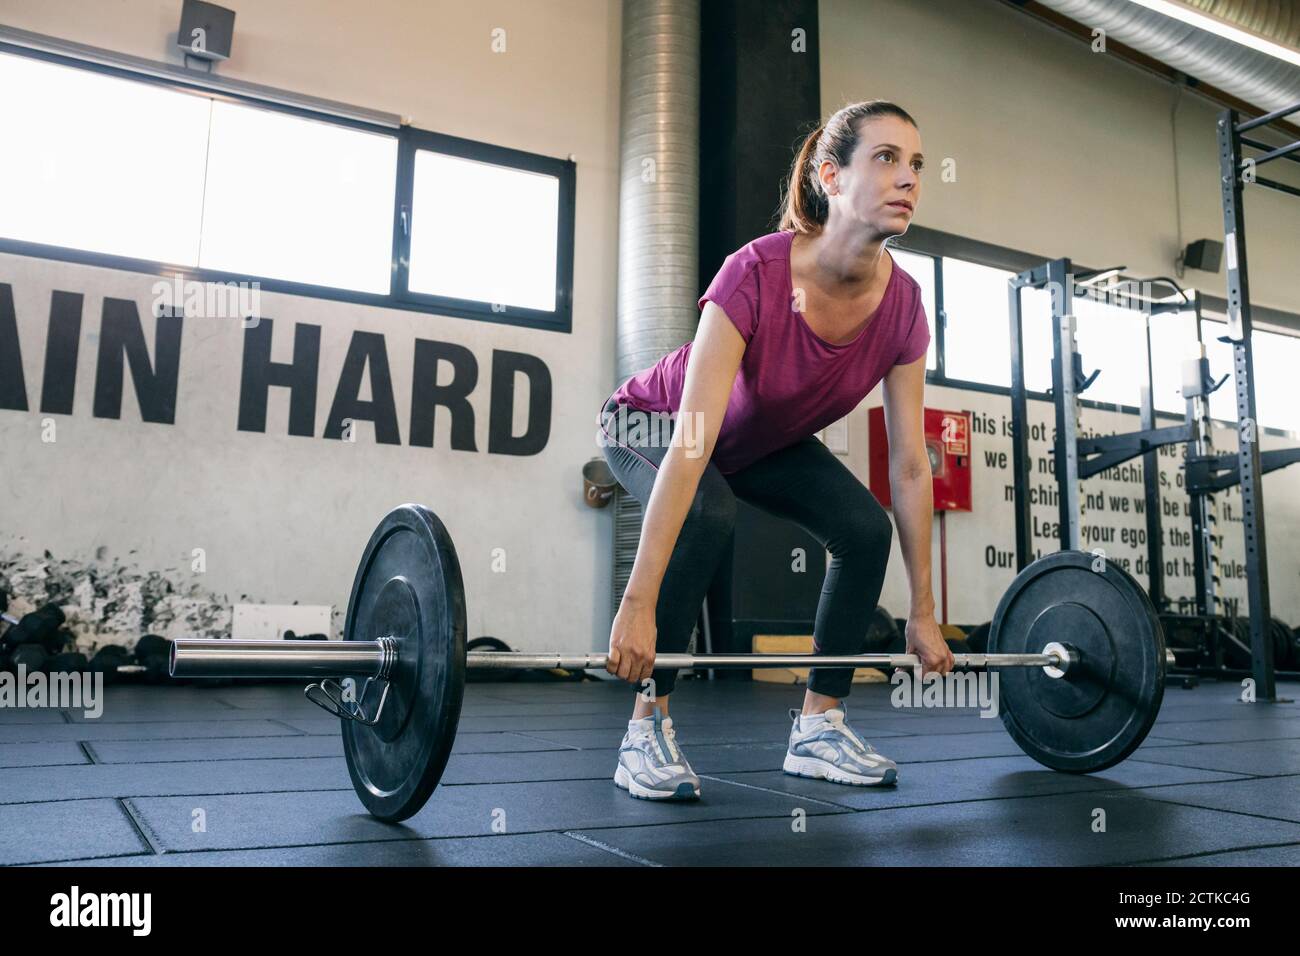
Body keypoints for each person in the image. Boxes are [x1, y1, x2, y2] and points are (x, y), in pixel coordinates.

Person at [595, 100, 952, 801]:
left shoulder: (905, 307)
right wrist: (637, 603)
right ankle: (645, 729)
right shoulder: (754, 273)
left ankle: (818, 725)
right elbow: (693, 441)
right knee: (708, 511)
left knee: (860, 526)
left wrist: (923, 611)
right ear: (830, 176)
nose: (909, 177)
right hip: (648, 422)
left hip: (755, 439)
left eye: (914, 163)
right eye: (885, 158)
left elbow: (910, 464)